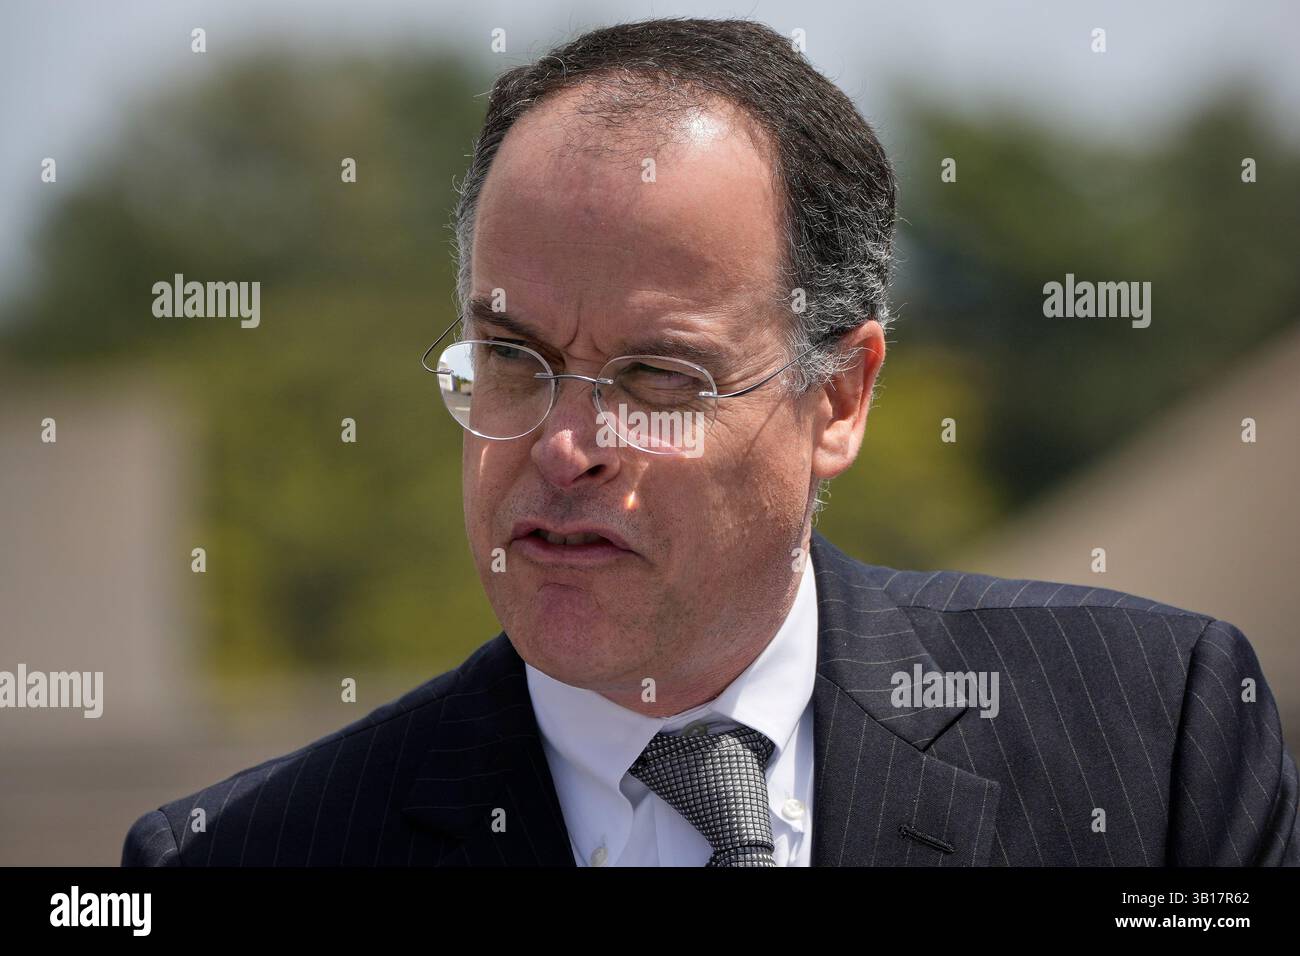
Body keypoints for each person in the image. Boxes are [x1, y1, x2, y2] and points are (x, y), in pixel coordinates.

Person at [122, 17, 1298, 867]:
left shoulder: (1151, 740)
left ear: (838, 396)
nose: (565, 446)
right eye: (513, 359)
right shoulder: (240, 854)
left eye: (657, 377)